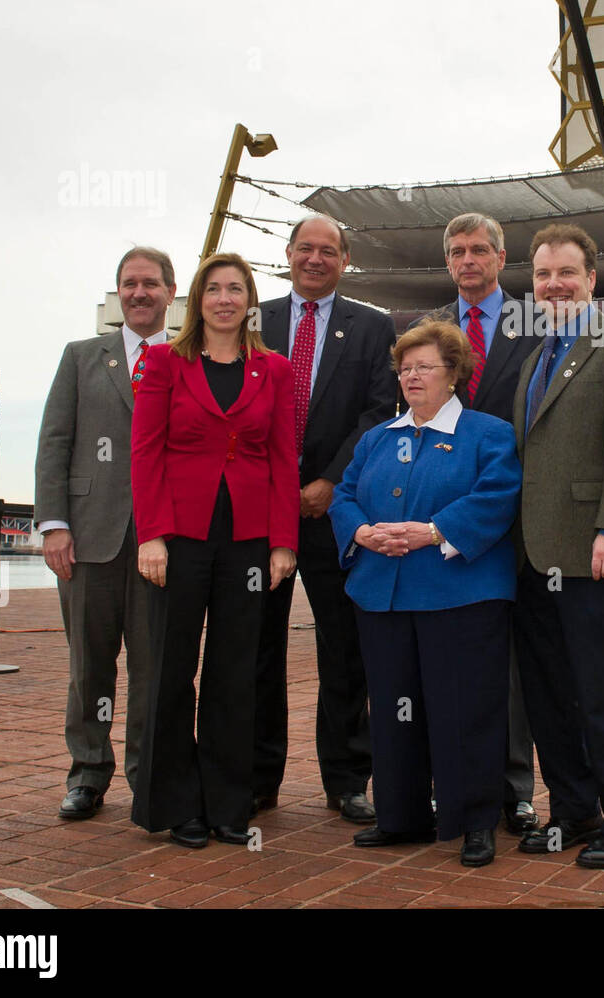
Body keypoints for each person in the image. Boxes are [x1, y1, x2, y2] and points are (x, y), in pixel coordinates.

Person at [329, 321, 522, 867]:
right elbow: (345, 494)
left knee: (465, 709)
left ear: (454, 373)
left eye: (425, 367)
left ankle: (474, 821)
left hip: (461, 595)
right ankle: (402, 816)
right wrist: (361, 532)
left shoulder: (488, 433)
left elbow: (498, 495)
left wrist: (433, 531)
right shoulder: (377, 438)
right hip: (382, 597)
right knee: (395, 710)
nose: (412, 376)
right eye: (405, 368)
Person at [130, 252, 298, 848]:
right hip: (179, 539)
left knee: (234, 672)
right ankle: (177, 805)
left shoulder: (274, 371)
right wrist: (150, 535)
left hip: (249, 542)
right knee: (173, 671)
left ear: (249, 301)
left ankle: (228, 803)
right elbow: (145, 452)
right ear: (196, 299)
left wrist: (283, 543)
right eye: (214, 289)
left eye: (236, 289)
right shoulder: (161, 363)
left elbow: (282, 457)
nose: (225, 299)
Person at [512, 223, 604, 869]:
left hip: (593, 553)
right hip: (532, 558)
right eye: (543, 275)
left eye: (566, 273)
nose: (554, 285)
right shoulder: (532, 357)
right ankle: (573, 810)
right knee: (550, 694)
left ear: (592, 279)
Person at [253, 215, 397, 822]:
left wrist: (330, 480)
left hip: (332, 511)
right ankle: (258, 778)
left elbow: (377, 411)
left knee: (345, 649)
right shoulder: (253, 319)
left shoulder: (373, 326)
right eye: (306, 248)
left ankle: (346, 779)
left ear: (345, 261)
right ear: (288, 254)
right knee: (257, 647)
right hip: (258, 513)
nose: (316, 259)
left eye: (329, 251)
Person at [34, 246, 177, 821]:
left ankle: (149, 777)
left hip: (161, 541)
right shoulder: (80, 356)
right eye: (129, 284)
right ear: (118, 292)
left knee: (153, 666)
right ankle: (88, 773)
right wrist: (54, 525)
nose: (139, 293)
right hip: (88, 538)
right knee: (89, 665)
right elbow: (53, 444)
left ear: (171, 292)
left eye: (150, 284)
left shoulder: (187, 361)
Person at [417, 212, 543, 835]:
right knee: (449, 655)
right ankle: (454, 785)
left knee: (512, 657)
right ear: (447, 262)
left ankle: (515, 788)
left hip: (519, 512)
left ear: (500, 256)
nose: (468, 260)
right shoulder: (426, 331)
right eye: (457, 252)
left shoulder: (541, 323)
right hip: (445, 519)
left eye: (478, 250)